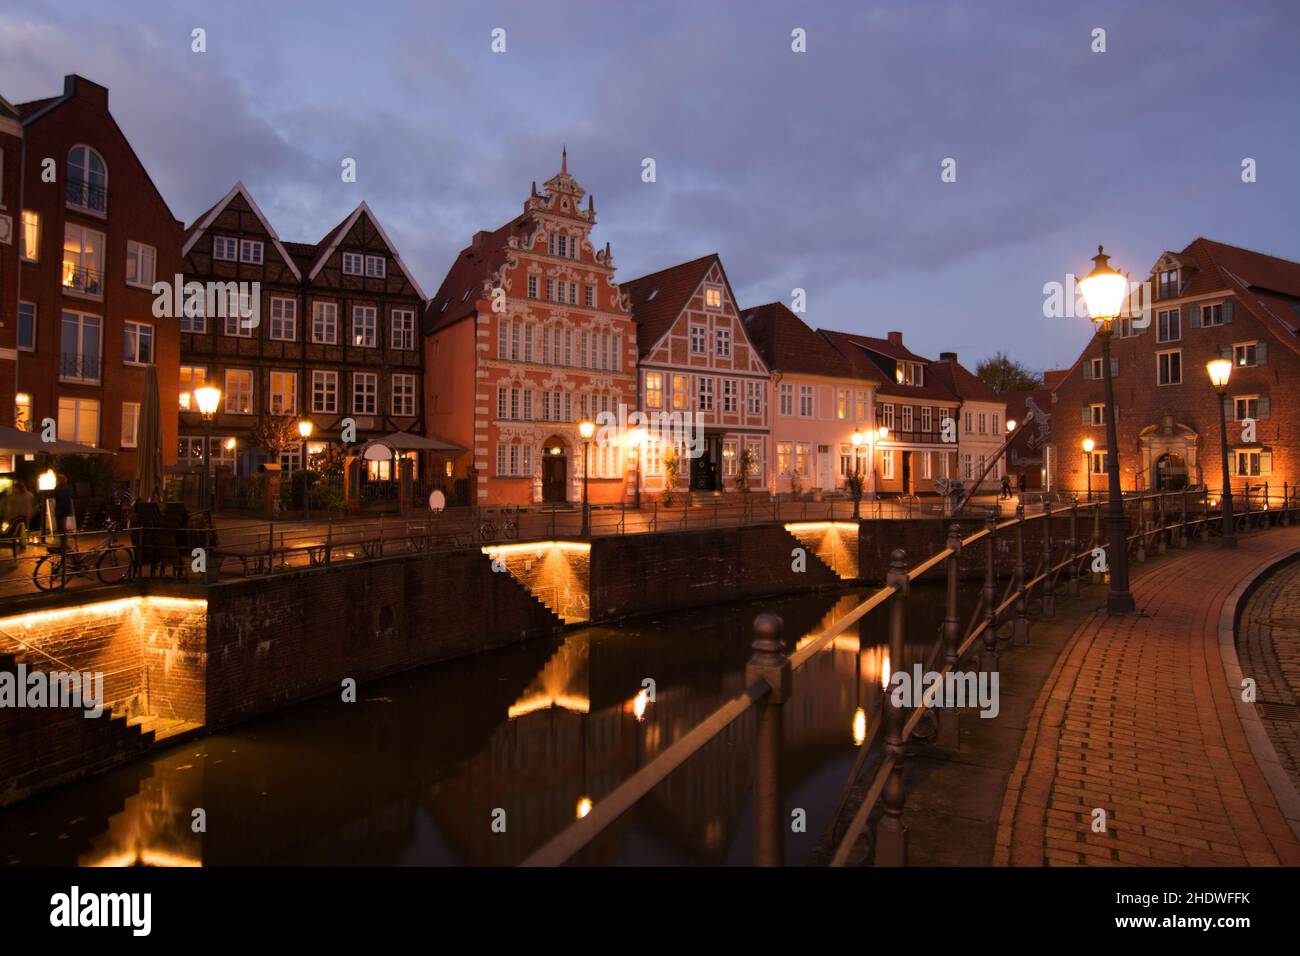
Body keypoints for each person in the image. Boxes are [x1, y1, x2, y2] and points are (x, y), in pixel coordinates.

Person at [3, 481, 36, 551]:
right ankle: (23, 543)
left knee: (20, 528)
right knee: (22, 529)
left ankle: (22, 543)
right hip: (25, 516)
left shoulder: (14, 496)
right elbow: (33, 506)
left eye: (14, 488)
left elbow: (11, 508)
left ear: (17, 488)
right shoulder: (29, 495)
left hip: (18, 516)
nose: (13, 489)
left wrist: (8, 516)